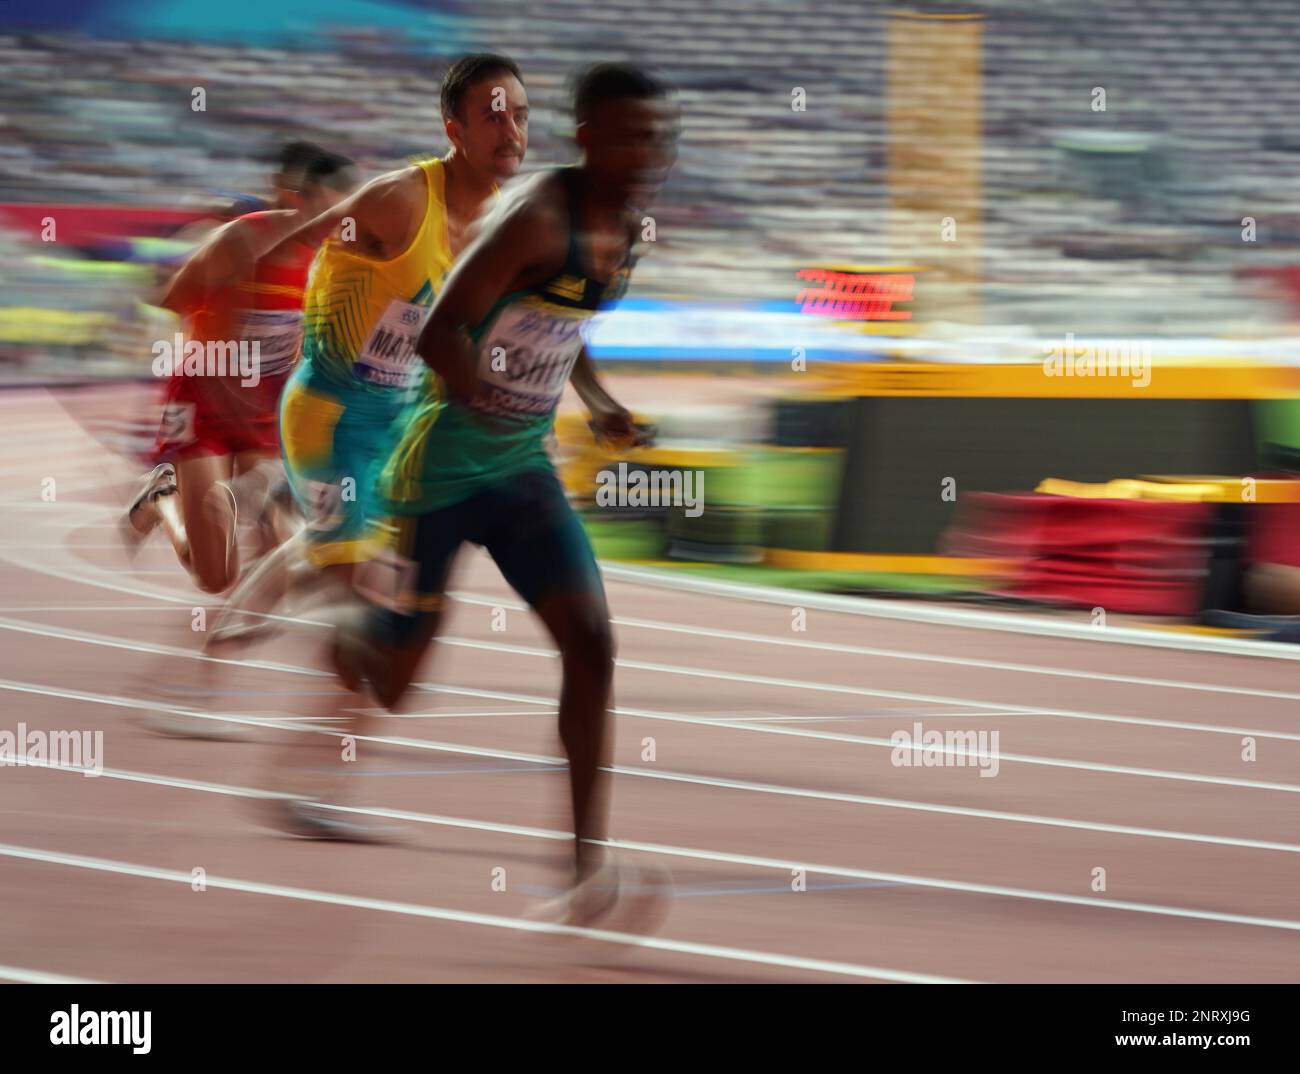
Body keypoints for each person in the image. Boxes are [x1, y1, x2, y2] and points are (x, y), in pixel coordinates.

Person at [311, 63, 678, 929]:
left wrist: (599, 404)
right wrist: (481, 387)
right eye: (626, 134)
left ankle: (587, 873)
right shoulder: (535, 217)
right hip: (436, 471)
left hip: (519, 473)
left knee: (592, 645)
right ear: (585, 133)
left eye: (655, 138)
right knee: (393, 686)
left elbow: (564, 324)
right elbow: (441, 332)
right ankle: (350, 624)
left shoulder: (627, 230)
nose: (645, 152)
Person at [124, 143, 360, 593]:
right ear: (297, 200)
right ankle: (162, 499)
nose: (336, 224)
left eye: (344, 213)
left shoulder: (335, 259)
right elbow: (174, 300)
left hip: (264, 408)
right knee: (215, 578)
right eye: (328, 211)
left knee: (276, 539)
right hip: (203, 402)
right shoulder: (239, 241)